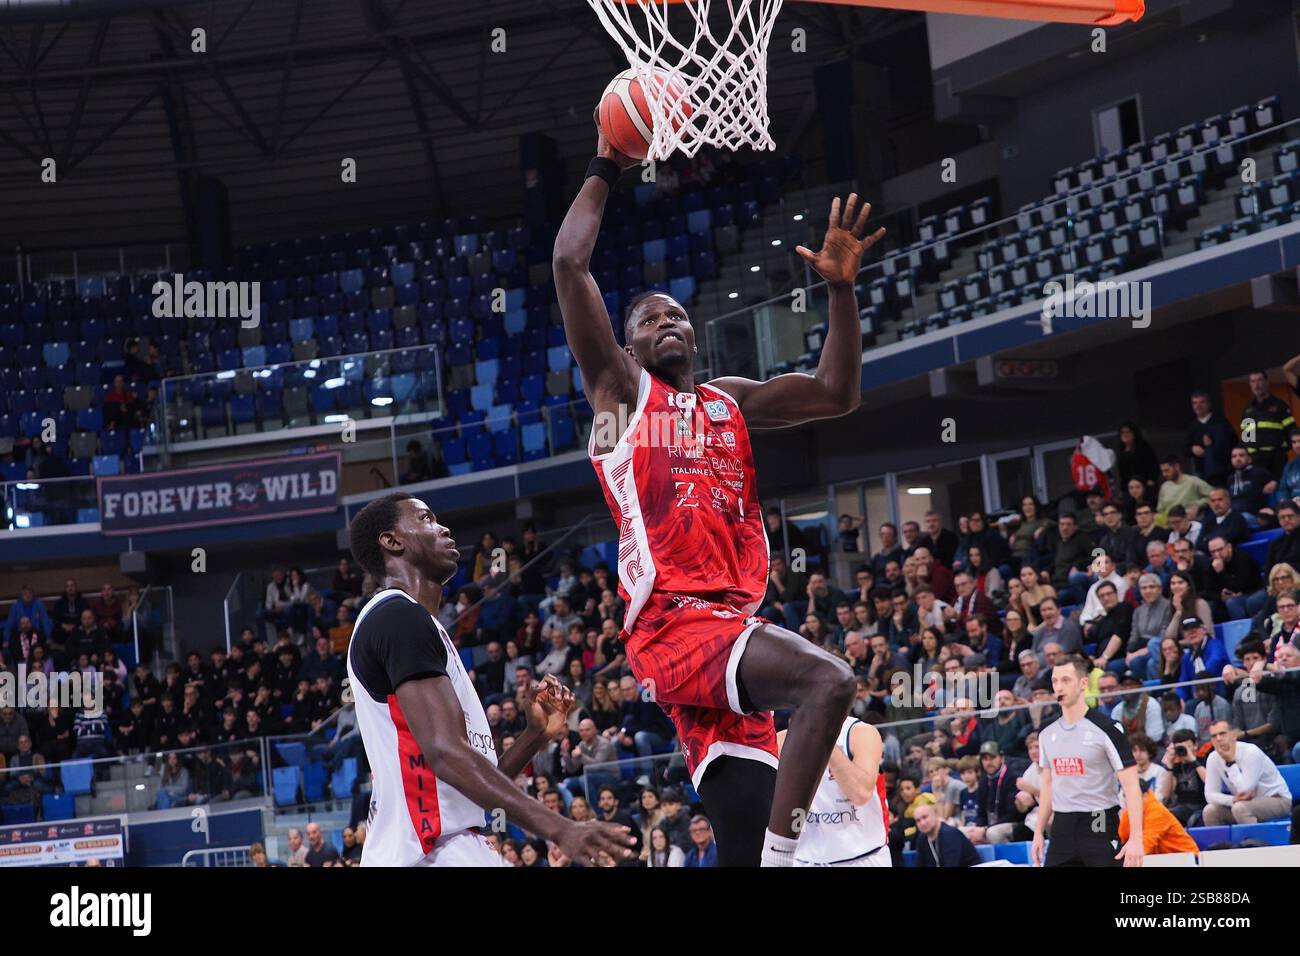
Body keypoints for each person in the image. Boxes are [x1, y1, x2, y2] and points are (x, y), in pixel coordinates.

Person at [555, 127, 882, 867]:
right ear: (628, 348)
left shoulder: (728, 401)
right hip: (673, 623)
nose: (668, 322)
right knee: (829, 682)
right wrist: (607, 163)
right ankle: (786, 857)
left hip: (729, 624)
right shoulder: (619, 396)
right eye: (649, 320)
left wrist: (840, 289)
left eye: (676, 314)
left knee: (740, 821)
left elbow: (837, 393)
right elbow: (568, 263)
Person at [344, 493, 634, 866]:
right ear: (392, 541)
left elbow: (469, 784)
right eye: (426, 519)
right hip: (429, 852)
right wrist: (561, 828)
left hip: (446, 847)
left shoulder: (419, 624)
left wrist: (534, 736)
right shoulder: (398, 618)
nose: (444, 528)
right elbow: (447, 754)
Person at [1032, 655, 1144, 867]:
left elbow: (1131, 785)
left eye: (1066, 680)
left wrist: (1137, 837)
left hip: (1098, 818)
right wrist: (1038, 831)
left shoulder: (1108, 729)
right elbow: (1048, 784)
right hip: (1062, 824)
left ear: (1083, 683)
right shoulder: (1046, 733)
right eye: (1055, 681)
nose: (1059, 687)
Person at [778, 716, 889, 867]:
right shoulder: (782, 740)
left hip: (863, 857)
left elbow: (861, 794)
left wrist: (823, 736)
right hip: (805, 859)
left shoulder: (861, 733)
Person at [1200, 721, 1292, 825]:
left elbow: (1244, 791)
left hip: (1277, 799)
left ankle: (1255, 841)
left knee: (1240, 808)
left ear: (1233, 735)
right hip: (1243, 803)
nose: (1218, 739)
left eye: (1222, 733)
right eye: (1214, 736)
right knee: (1210, 811)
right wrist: (1232, 799)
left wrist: (1230, 763)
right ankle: (1220, 842)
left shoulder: (1251, 752)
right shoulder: (1213, 758)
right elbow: (1210, 795)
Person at [1118, 778, 1200, 858]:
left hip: (1186, 858)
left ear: (1145, 796)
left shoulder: (1157, 811)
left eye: (1132, 796)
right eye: (1125, 796)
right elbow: (1122, 841)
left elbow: (1145, 846)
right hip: (1160, 859)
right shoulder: (1127, 814)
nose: (1127, 800)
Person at [1160, 730, 1207, 827]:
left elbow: (1209, 782)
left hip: (1201, 806)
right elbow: (1166, 795)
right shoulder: (1176, 767)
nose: (1184, 751)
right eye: (1180, 748)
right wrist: (1169, 766)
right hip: (1180, 807)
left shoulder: (1203, 761)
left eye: (1187, 747)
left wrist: (1193, 760)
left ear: (1195, 745)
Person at [913, 803, 980, 867]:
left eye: (925, 817)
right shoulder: (922, 839)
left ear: (936, 815)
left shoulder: (950, 834)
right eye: (918, 821)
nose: (922, 823)